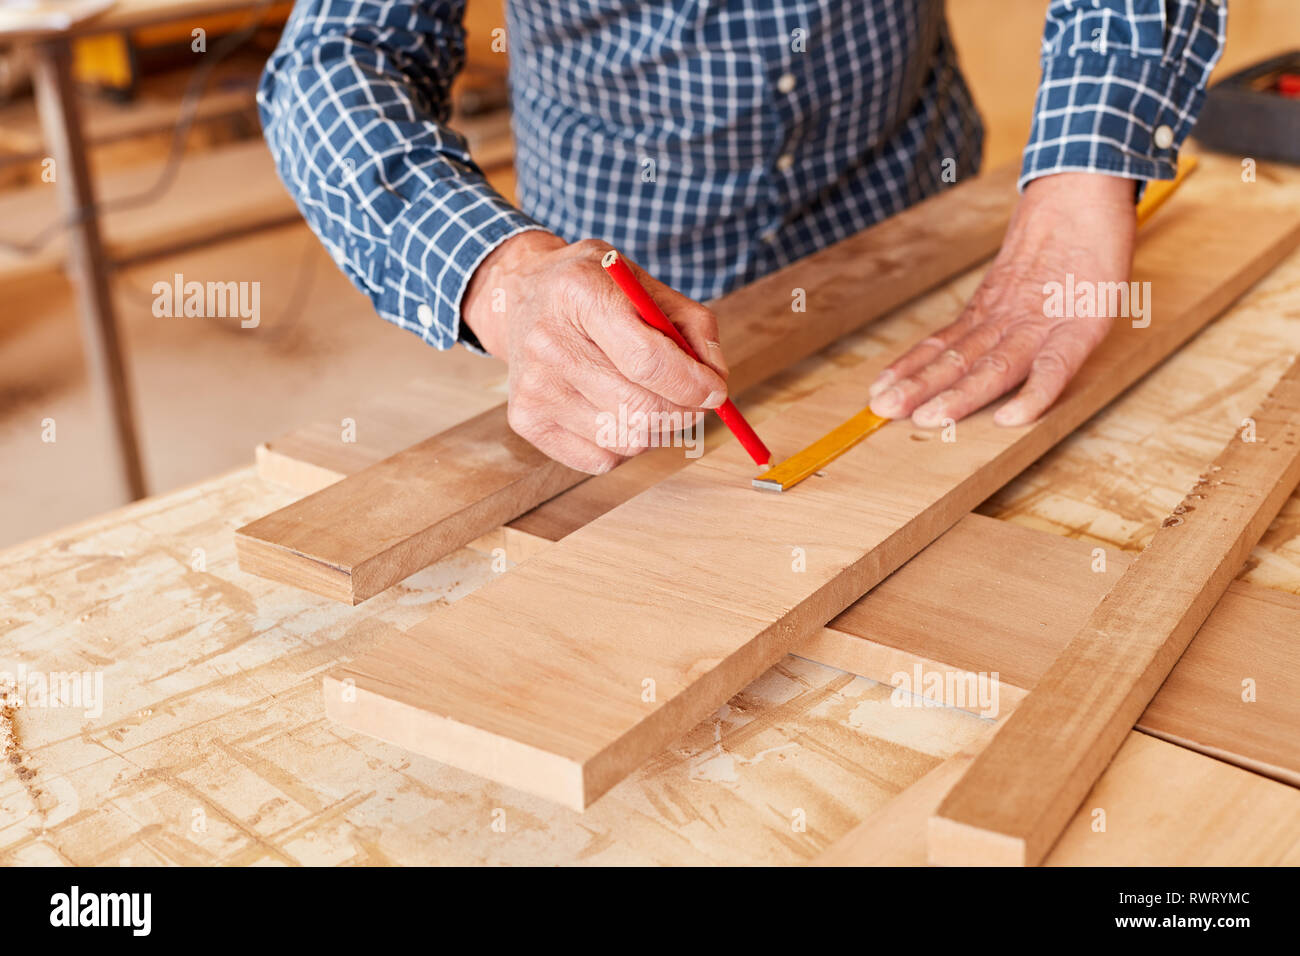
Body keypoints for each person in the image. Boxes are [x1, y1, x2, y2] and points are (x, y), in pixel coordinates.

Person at [259, 1, 1225, 473]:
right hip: (627, 280)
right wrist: (504, 281)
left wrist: (1079, 179)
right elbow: (340, 58)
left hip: (912, 226)